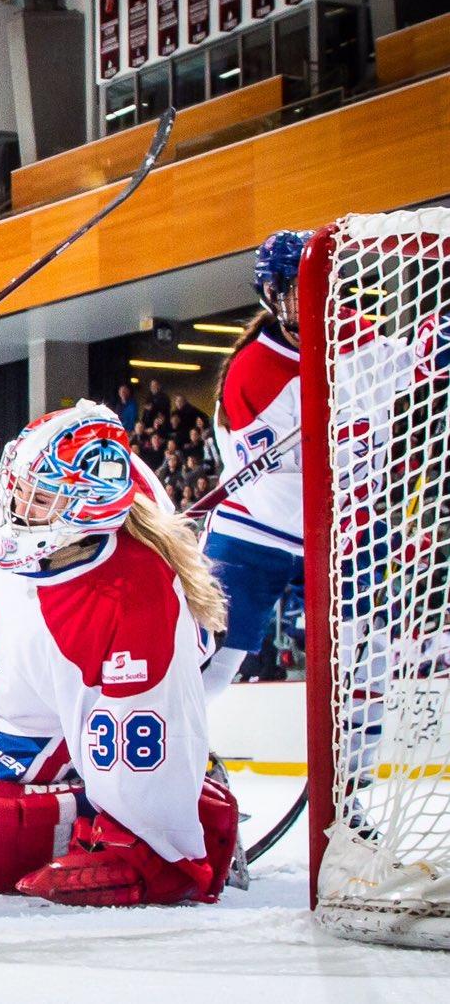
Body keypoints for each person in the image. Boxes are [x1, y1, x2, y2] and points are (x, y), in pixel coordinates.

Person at [0, 402, 241, 907]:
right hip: (19, 698)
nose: (17, 503)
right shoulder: (11, 494)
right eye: (21, 487)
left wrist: (151, 847)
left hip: (65, 707)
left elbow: (138, 738)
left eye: (39, 497)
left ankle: (192, 800)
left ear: (86, 509)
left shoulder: (130, 598)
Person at [200, 232, 308, 700]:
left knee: (365, 650)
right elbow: (274, 493)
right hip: (253, 530)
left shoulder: (355, 335)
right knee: (215, 658)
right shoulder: (255, 371)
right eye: (298, 288)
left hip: (329, 531)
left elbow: (407, 366)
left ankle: (359, 751)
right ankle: (182, 738)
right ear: (273, 293)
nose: (312, 297)